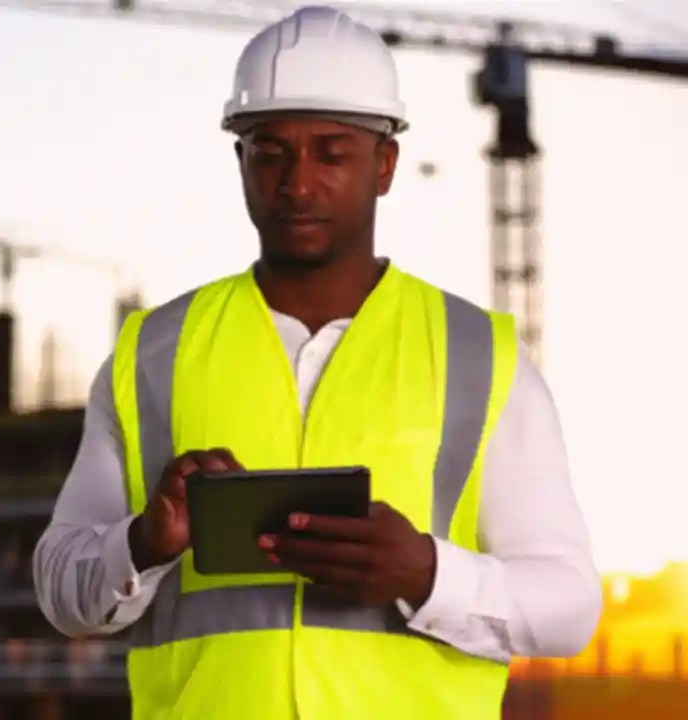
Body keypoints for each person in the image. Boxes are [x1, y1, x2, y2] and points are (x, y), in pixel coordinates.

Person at [32, 5, 602, 719]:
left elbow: (569, 606)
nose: (297, 184)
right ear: (240, 160)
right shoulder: (154, 352)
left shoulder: (478, 354)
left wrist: (426, 574)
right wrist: (145, 540)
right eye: (270, 152)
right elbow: (60, 588)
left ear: (384, 164)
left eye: (331, 153)